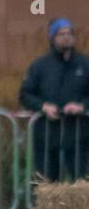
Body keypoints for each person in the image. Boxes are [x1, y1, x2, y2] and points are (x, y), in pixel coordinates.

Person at [20, 17, 89, 184]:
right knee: (47, 184)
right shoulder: (40, 65)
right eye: (61, 34)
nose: (66, 37)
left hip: (77, 134)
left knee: (79, 183)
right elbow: (24, 94)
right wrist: (42, 107)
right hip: (47, 134)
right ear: (52, 38)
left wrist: (82, 106)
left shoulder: (84, 63)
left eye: (69, 33)